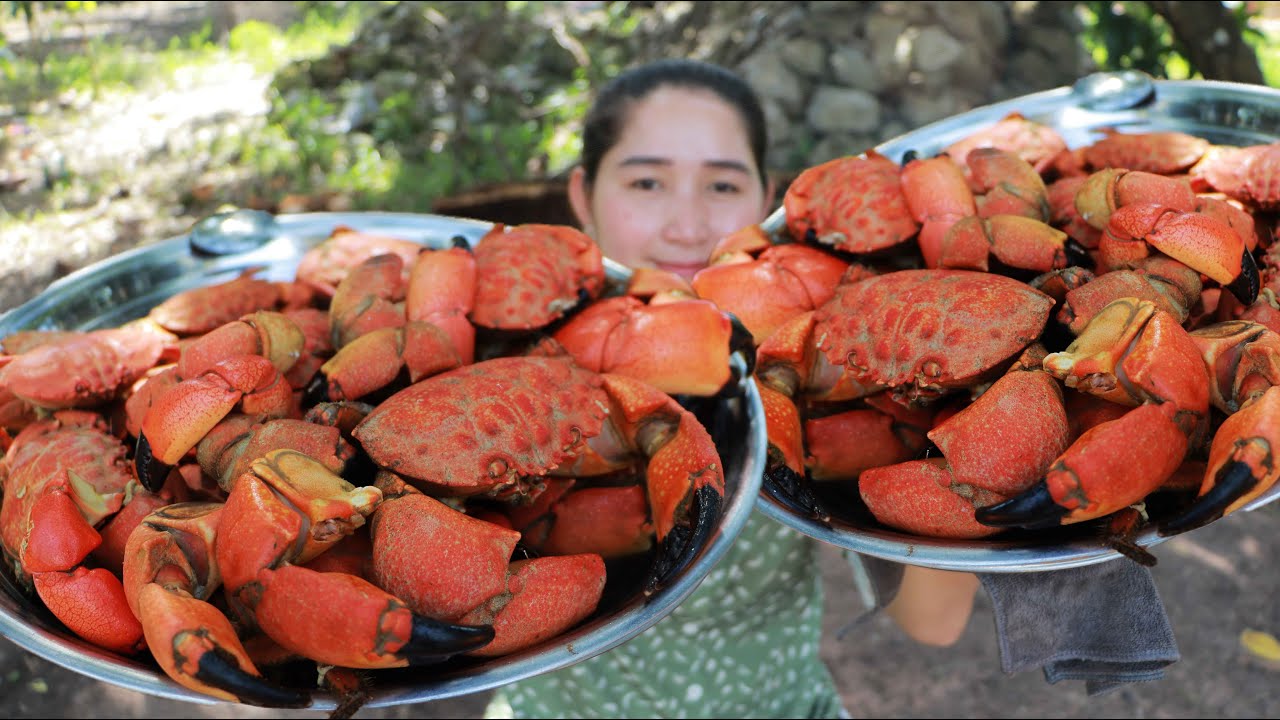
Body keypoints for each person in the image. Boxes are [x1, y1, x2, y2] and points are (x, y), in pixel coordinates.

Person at [482, 57, 981, 719]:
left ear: (764, 197)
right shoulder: (498, 373)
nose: (686, 225)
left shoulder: (821, 363)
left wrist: (954, 393)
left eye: (721, 186)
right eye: (647, 181)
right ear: (583, 196)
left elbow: (935, 622)